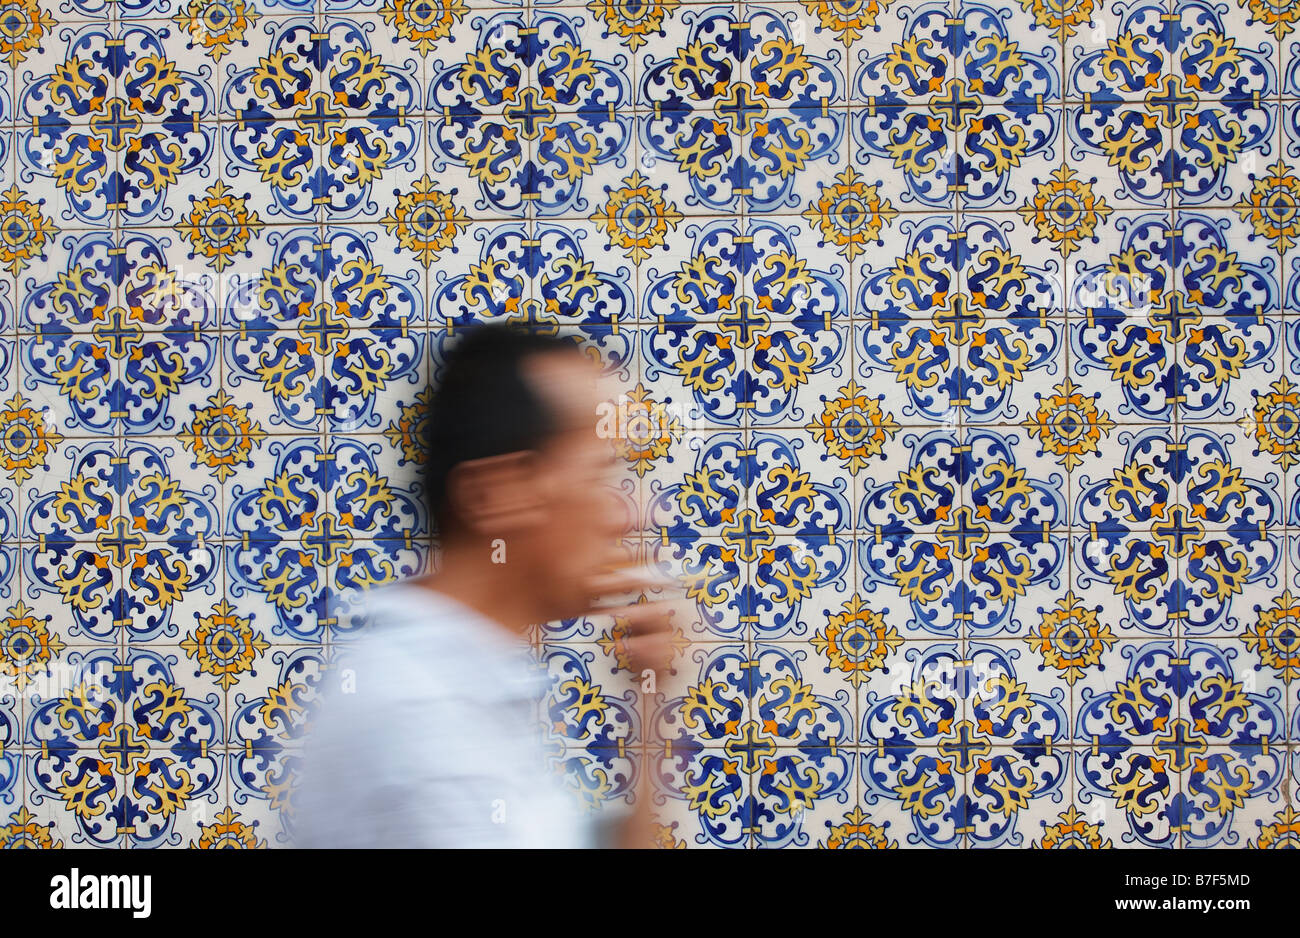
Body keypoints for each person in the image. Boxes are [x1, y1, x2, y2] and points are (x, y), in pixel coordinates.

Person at [293, 325, 678, 848]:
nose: (629, 517)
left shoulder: (467, 681)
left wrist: (651, 700)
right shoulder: (422, 721)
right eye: (600, 473)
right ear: (496, 493)